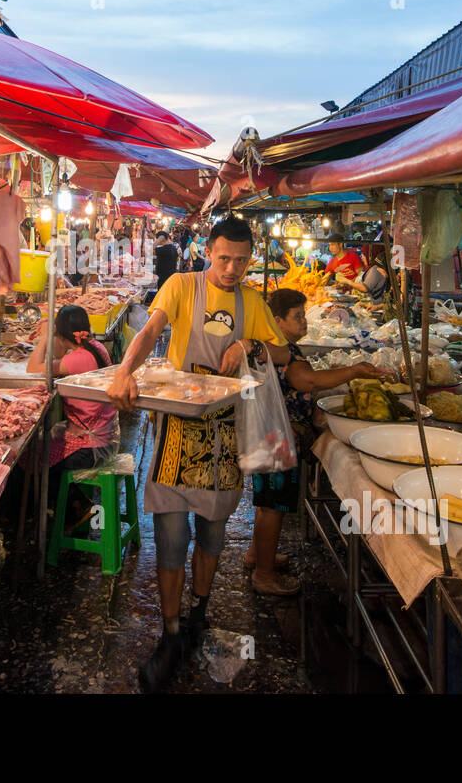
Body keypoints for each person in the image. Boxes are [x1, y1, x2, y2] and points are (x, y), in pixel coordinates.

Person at [107, 215, 289, 693]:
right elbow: (149, 332)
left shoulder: (253, 301)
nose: (232, 268)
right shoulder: (181, 286)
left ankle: (199, 615)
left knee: (212, 533)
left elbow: (285, 352)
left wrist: (249, 343)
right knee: (170, 533)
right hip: (177, 427)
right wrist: (125, 369)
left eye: (242, 260)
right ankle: (169, 634)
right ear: (209, 250)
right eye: (225, 258)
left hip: (227, 434)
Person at [246, 288, 396, 594]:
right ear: (277, 320)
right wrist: (353, 370)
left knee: (265, 504)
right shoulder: (281, 348)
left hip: (264, 431)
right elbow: (307, 381)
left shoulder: (273, 345)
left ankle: (256, 555)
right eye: (297, 317)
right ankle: (264, 575)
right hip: (279, 436)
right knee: (273, 506)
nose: (304, 322)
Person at [28, 305, 120, 530]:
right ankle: (64, 508)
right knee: (37, 453)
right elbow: (58, 356)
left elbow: (33, 369)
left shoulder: (79, 359)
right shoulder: (96, 347)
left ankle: (74, 509)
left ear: (61, 333)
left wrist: (44, 339)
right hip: (103, 435)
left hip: (91, 446)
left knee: (31, 462)